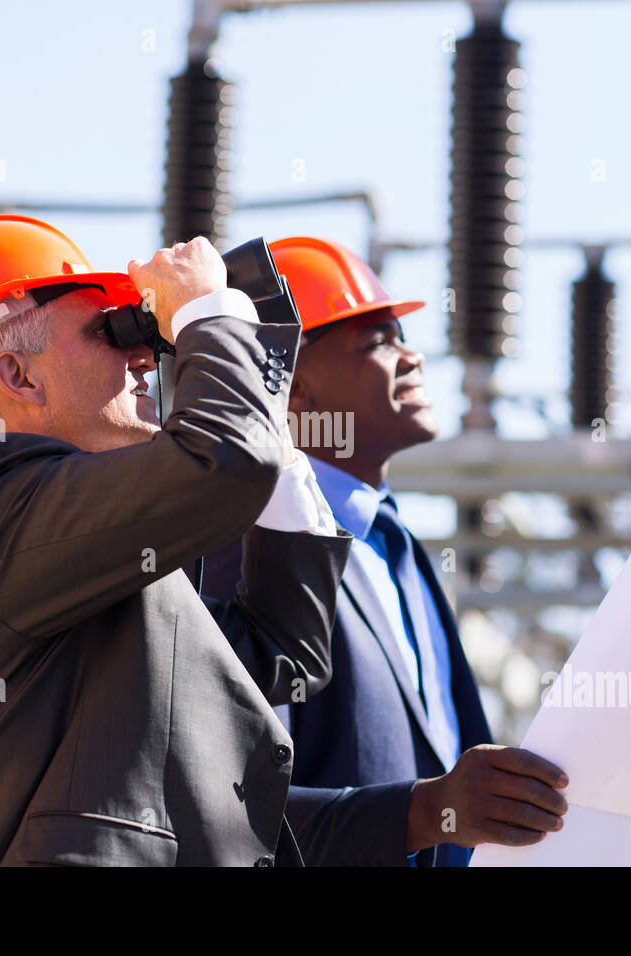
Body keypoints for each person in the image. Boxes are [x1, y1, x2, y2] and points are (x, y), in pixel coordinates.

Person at [0, 215, 351, 865]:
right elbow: (222, 466)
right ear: (18, 376)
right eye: (110, 331)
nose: (145, 354)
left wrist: (424, 808)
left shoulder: (78, 550)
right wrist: (203, 314)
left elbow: (283, 655)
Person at [201, 236, 569, 866]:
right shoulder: (246, 551)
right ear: (291, 390)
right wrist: (423, 812)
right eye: (379, 340)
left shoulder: (395, 547)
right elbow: (224, 806)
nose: (412, 356)